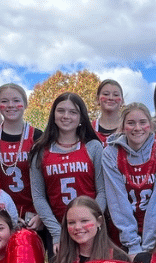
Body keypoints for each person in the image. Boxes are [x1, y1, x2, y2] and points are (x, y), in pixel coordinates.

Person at [28, 92, 106, 251]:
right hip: (58, 229)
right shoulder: (40, 150)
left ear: (81, 117)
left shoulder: (93, 147)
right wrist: (57, 232)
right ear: (53, 114)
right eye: (61, 110)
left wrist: (91, 224)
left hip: (91, 231)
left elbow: (103, 191)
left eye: (73, 112)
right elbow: (38, 196)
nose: (66, 116)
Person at [102, 103, 156, 255]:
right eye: (131, 123)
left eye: (142, 122)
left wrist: (148, 248)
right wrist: (133, 246)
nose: (137, 128)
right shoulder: (110, 153)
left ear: (151, 124)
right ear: (123, 126)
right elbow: (117, 201)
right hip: (122, 234)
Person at [0, 83, 42, 235]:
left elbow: (48, 180)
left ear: (25, 104)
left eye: (16, 100)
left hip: (33, 216)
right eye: (4, 101)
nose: (10, 105)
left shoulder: (38, 136)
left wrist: (42, 215)